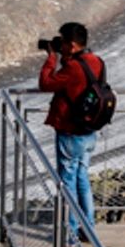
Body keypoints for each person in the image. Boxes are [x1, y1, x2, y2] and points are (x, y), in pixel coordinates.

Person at [38, 21, 103, 234]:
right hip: (89, 132)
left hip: (71, 132)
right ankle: (88, 227)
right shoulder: (97, 62)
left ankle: (71, 232)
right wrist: (64, 56)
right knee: (82, 177)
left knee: (67, 182)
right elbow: (80, 80)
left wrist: (51, 58)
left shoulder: (73, 67)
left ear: (73, 45)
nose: (61, 46)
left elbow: (46, 83)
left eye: (64, 43)